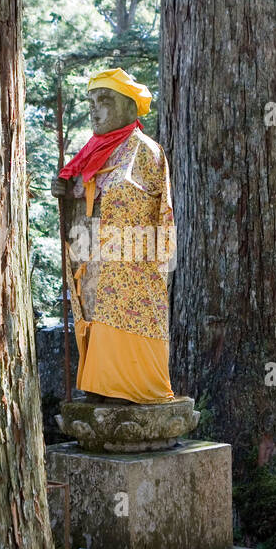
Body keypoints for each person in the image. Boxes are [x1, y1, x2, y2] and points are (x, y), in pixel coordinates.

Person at [51, 68, 175, 404]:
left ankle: (131, 388)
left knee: (125, 318)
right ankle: (100, 384)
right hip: (95, 259)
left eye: (104, 100)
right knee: (94, 316)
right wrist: (67, 192)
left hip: (131, 261)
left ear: (131, 109)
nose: (94, 109)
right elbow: (84, 197)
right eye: (91, 101)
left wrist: (90, 190)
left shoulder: (144, 150)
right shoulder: (91, 152)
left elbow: (137, 198)